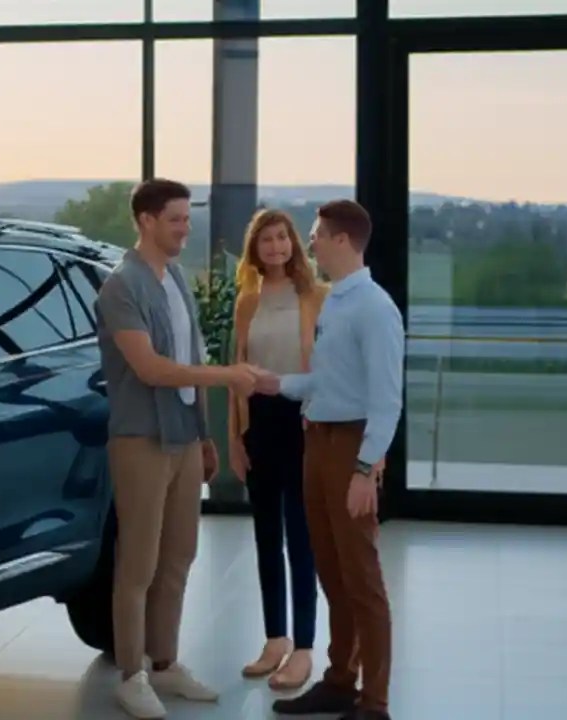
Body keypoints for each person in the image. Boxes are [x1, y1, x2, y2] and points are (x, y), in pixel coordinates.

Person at [95, 178, 256, 719]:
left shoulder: (178, 279)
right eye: (176, 220)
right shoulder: (122, 287)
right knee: (137, 564)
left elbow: (187, 353)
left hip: (184, 438)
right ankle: (131, 674)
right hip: (141, 439)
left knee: (180, 556)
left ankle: (165, 664)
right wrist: (229, 376)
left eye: (188, 218)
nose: (186, 228)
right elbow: (151, 369)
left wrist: (205, 436)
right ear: (145, 220)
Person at [252, 200, 403, 720]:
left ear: (342, 240)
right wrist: (279, 384)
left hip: (349, 447)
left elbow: (387, 400)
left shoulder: (375, 308)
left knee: (362, 576)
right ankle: (340, 680)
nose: (308, 243)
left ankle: (375, 700)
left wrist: (365, 468)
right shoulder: (336, 302)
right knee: (332, 571)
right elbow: (326, 380)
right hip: (316, 441)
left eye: (316, 235)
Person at [228, 209, 327, 690]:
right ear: (255, 249)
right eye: (266, 241)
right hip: (259, 423)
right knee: (266, 535)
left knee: (301, 537)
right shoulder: (246, 300)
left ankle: (305, 648)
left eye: (283, 238)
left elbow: (328, 368)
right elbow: (236, 373)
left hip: (301, 421)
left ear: (295, 244)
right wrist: (234, 440)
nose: (276, 248)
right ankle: (275, 640)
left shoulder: (316, 297)